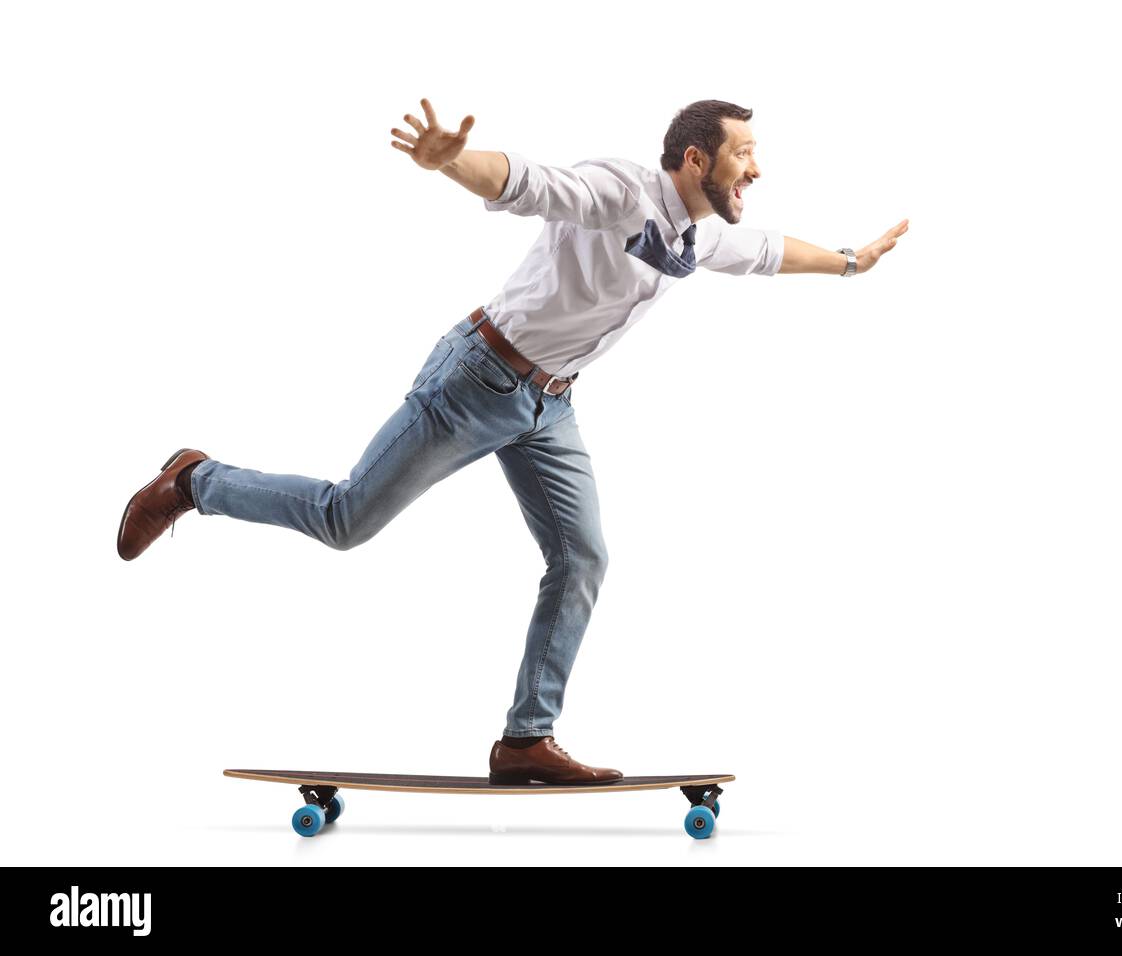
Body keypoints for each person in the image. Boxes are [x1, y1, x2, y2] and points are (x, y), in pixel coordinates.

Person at [117, 98, 908, 784]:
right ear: (697, 158)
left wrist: (849, 263)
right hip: (476, 381)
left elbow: (768, 251)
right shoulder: (621, 190)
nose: (756, 170)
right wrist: (452, 161)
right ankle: (194, 481)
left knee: (583, 557)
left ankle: (526, 739)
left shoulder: (694, 238)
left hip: (548, 406)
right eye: (745, 154)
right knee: (345, 520)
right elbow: (530, 183)